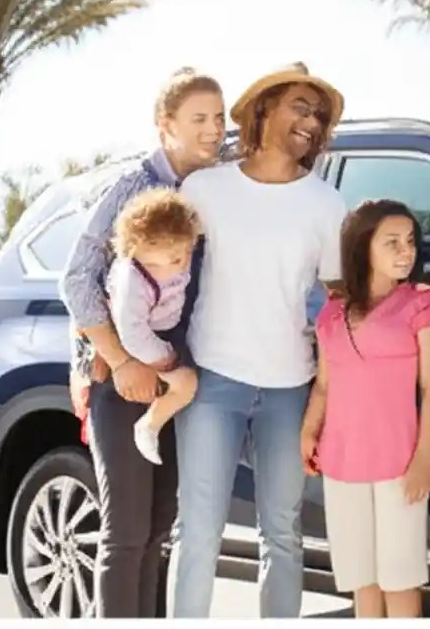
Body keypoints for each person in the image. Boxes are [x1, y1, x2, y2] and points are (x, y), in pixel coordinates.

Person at [171, 62, 349, 618]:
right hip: (212, 382)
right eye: (300, 106)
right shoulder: (204, 188)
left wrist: (324, 398)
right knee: (198, 530)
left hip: (288, 389)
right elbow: (156, 266)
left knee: (283, 534)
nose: (311, 122)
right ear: (264, 110)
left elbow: (339, 305)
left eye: (318, 115)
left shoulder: (325, 204)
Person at [59, 66, 225, 617]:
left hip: (176, 377)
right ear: (165, 125)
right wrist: (121, 361)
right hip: (123, 378)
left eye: (219, 118)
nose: (213, 129)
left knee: (157, 529)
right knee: (126, 532)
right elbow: (77, 278)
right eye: (198, 118)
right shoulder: (133, 187)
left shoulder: (211, 187)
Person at [300, 199, 430, 618]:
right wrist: (309, 429)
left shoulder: (423, 302)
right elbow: (326, 384)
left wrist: (424, 460)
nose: (406, 251)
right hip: (342, 461)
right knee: (362, 583)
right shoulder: (331, 313)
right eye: (392, 242)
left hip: (400, 464)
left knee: (400, 581)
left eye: (410, 241)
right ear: (364, 246)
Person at [105, 187, 203, 465]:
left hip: (166, 331)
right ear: (138, 253)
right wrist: (166, 360)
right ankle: (148, 426)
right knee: (187, 384)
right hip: (143, 341)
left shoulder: (174, 258)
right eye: (169, 260)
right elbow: (132, 333)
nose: (179, 266)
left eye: (184, 255)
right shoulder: (132, 280)